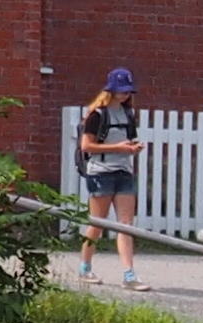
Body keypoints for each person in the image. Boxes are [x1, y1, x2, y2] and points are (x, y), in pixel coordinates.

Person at [74, 69, 146, 291]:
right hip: (101, 172)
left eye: (127, 92)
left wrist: (133, 148)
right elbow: (86, 146)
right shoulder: (97, 114)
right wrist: (118, 148)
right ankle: (85, 267)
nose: (124, 95)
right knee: (98, 223)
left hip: (124, 171)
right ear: (111, 90)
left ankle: (129, 274)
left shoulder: (128, 115)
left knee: (126, 225)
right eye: (120, 91)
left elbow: (129, 140)